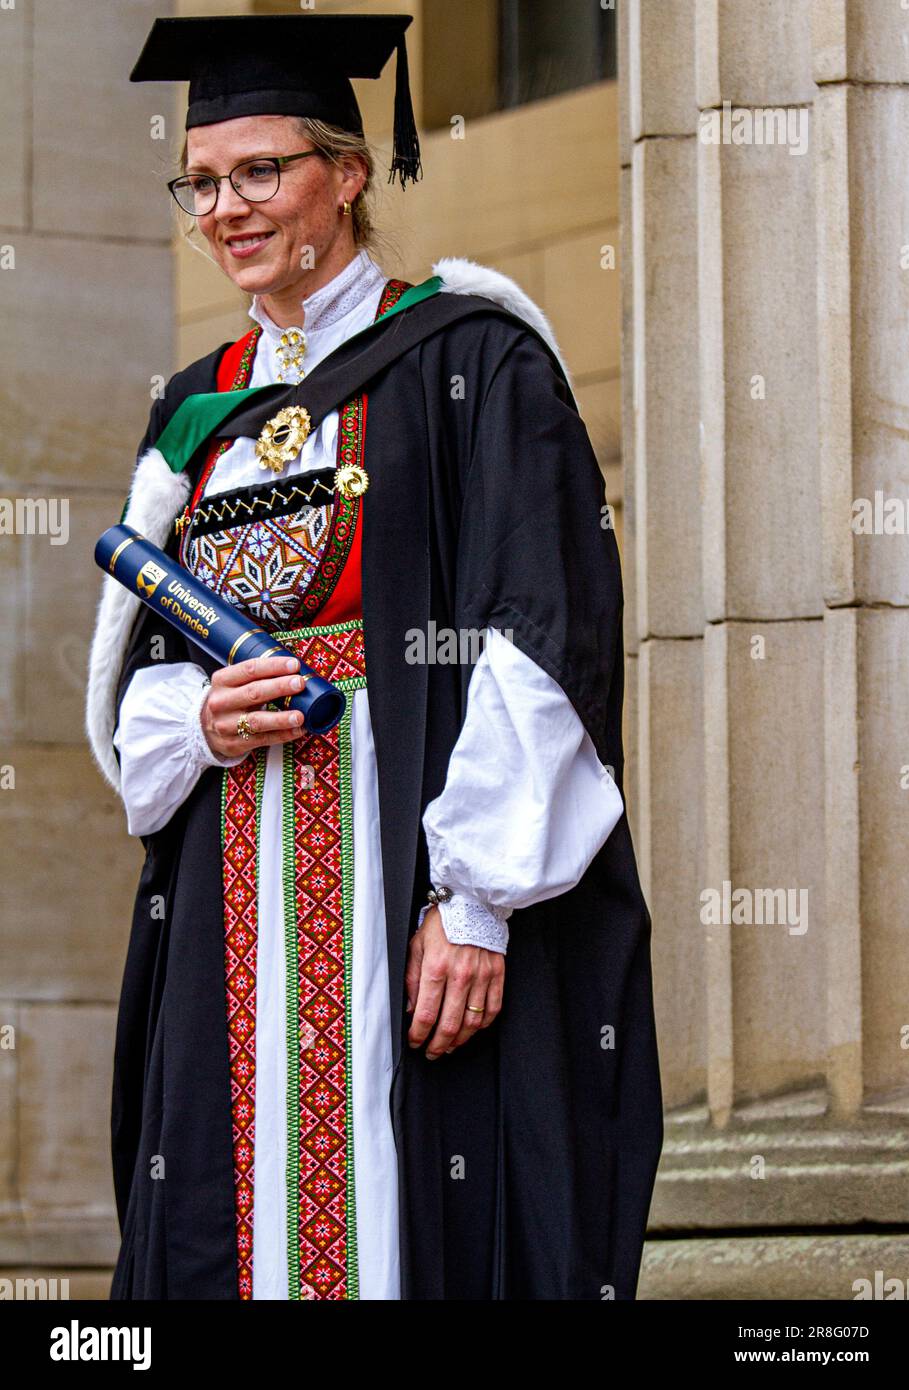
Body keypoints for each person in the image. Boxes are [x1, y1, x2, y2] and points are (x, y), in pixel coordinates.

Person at [86, 11, 663, 1301]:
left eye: (259, 172)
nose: (223, 209)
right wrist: (200, 715)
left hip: (403, 880)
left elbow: (539, 631)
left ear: (346, 172)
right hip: (235, 886)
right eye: (200, 182)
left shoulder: (469, 357)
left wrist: (478, 899)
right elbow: (135, 694)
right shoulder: (198, 415)